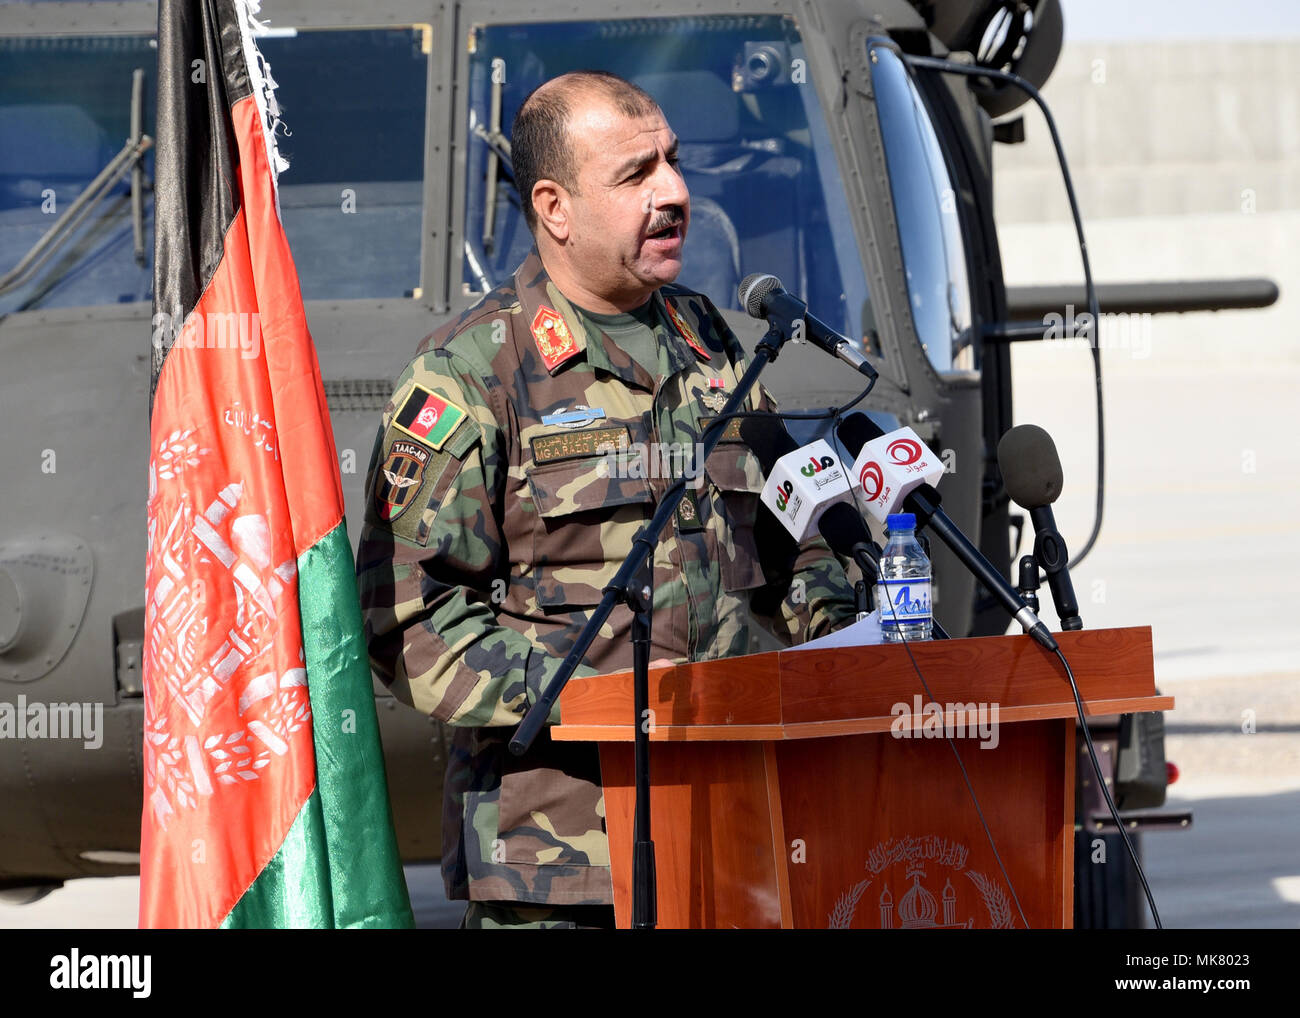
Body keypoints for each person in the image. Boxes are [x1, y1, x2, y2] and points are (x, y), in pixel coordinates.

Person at [356, 70, 855, 929]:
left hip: (738, 828)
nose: (674, 194)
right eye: (636, 175)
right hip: (563, 863)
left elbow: (788, 549)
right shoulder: (471, 377)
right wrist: (603, 692)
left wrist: (858, 628)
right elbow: (409, 624)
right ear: (555, 206)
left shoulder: (715, 348)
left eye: (672, 162)